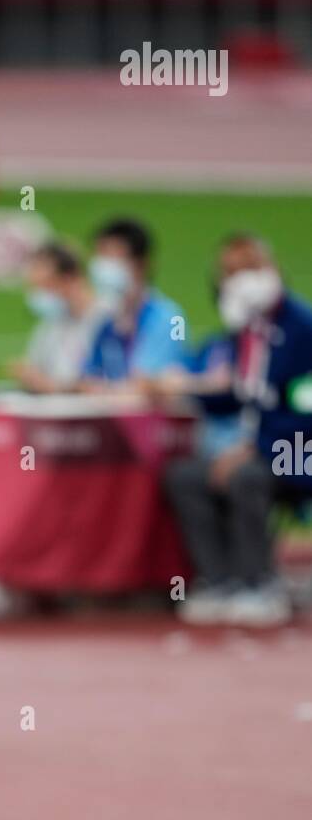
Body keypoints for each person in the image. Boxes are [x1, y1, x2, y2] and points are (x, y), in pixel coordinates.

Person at [162, 234, 312, 626]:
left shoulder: (303, 330)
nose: (240, 279)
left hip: (297, 449)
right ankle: (219, 580)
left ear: (272, 268)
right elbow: (244, 396)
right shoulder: (249, 331)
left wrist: (256, 448)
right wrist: (187, 390)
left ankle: (259, 583)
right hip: (259, 446)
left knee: (247, 476)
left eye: (249, 267)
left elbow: (303, 410)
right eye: (230, 272)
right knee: (184, 476)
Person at [79, 217, 188, 390]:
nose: (103, 267)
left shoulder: (171, 319)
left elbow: (146, 384)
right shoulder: (107, 320)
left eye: (112, 257)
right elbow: (86, 378)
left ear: (141, 264)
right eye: (100, 256)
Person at [4, 241, 106, 392]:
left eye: (44, 287)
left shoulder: (108, 320)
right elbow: (35, 368)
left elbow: (109, 382)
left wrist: (55, 387)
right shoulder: (51, 323)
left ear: (69, 279)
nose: (38, 297)